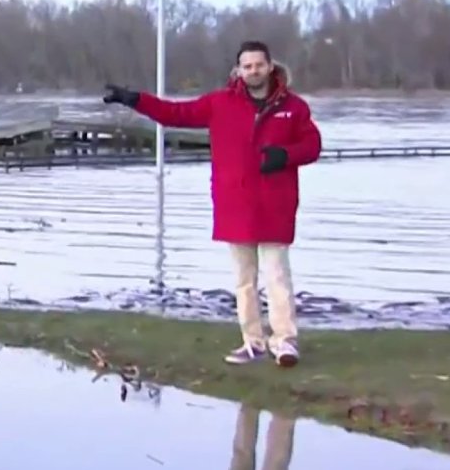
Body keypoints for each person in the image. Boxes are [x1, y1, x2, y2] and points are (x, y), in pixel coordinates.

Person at [103, 40, 322, 367]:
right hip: (235, 204)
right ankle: (253, 343)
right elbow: (174, 113)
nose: (253, 71)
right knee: (244, 280)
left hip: (276, 204)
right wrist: (134, 99)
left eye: (259, 65)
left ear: (270, 66)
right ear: (238, 70)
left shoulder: (294, 107)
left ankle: (285, 342)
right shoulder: (220, 103)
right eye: (247, 67)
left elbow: (313, 145)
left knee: (277, 275)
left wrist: (285, 156)